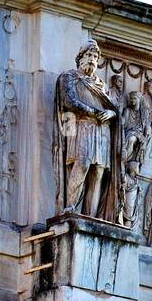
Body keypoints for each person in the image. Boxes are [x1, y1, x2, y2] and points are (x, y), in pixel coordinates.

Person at [54, 40, 119, 218]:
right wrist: (93, 112)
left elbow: (114, 108)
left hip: (101, 131)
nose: (92, 60)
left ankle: (90, 216)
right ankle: (70, 207)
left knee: (98, 172)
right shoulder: (69, 77)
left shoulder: (101, 85)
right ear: (80, 57)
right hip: (81, 126)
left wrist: (111, 115)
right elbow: (69, 101)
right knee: (81, 164)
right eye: (89, 55)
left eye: (95, 57)